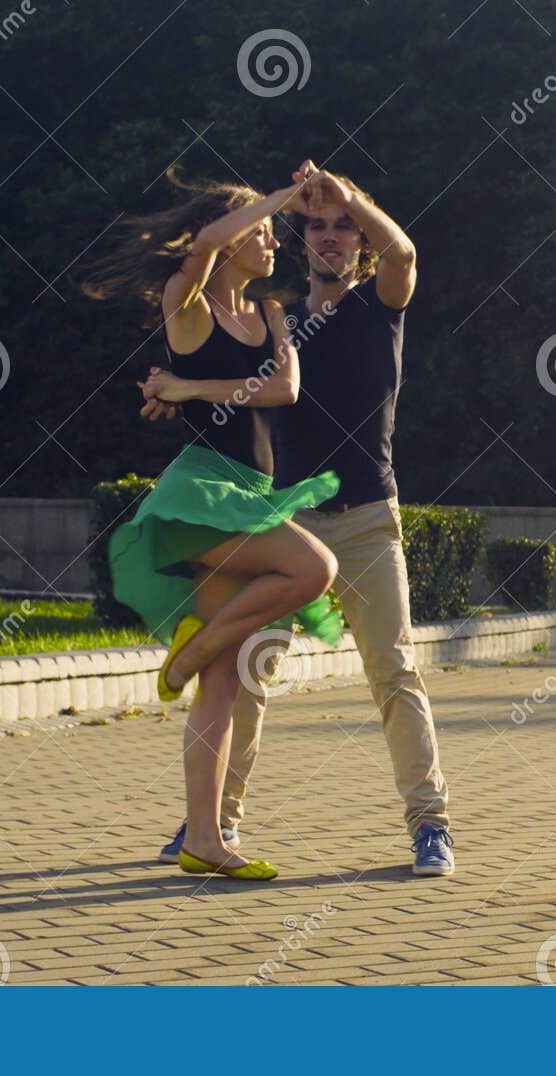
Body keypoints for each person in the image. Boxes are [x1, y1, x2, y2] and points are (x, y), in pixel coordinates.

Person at [156, 161, 455, 877]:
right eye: (316, 226)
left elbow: (407, 255)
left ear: (361, 242)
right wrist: (178, 392)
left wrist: (347, 192)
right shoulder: (277, 319)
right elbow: (238, 378)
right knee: (252, 671)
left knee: (395, 672)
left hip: (368, 519)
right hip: (287, 524)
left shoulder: (382, 304)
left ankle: (430, 825)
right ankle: (212, 820)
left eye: (342, 226)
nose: (328, 237)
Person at [88, 170, 342, 881]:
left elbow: (286, 389)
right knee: (314, 569)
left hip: (254, 491)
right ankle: (192, 653)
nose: (272, 242)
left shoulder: (270, 314)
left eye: (271, 231)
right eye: (259, 232)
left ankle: (204, 839)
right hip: (204, 494)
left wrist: (188, 388)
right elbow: (202, 240)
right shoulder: (187, 305)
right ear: (230, 242)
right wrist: (284, 198)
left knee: (225, 686)